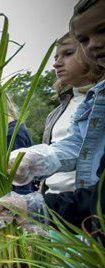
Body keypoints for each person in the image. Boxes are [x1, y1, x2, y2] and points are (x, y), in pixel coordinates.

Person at [3, 0, 105, 268]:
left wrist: (33, 204)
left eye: (69, 51)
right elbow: (73, 149)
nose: (91, 45)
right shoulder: (85, 100)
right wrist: (37, 160)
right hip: (71, 208)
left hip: (81, 209)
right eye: (83, 38)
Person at [41, 32, 102, 195]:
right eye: (55, 58)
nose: (56, 64)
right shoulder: (56, 113)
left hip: (85, 204)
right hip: (52, 203)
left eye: (68, 54)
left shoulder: (98, 103)